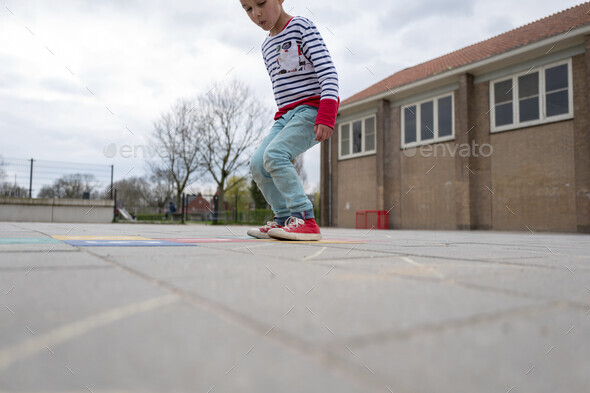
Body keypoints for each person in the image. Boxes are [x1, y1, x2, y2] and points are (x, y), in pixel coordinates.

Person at [240, 0, 339, 241]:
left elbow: (328, 72)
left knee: (275, 155)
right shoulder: (266, 47)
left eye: (261, 3)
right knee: (258, 164)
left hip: (312, 108)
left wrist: (327, 113)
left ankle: (305, 219)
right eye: (248, 9)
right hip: (285, 115)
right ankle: (284, 219)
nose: (257, 13)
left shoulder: (302, 27)